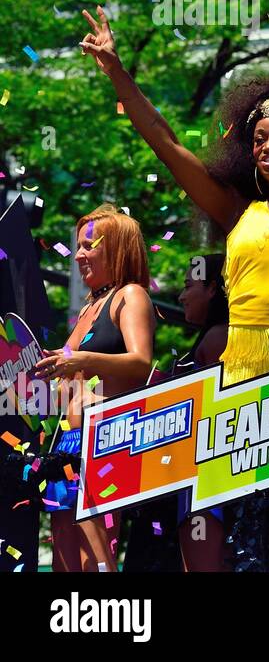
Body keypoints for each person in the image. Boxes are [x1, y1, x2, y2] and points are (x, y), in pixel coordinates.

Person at [80, 6, 269, 571]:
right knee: (205, 506)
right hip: (237, 372)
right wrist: (116, 72)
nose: (268, 146)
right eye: (259, 139)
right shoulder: (234, 211)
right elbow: (166, 143)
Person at [34, 205, 155, 572]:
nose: (80, 255)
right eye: (78, 246)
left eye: (90, 246)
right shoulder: (90, 306)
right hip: (67, 445)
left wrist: (81, 359)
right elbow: (74, 378)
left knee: (97, 559)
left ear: (117, 248)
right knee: (64, 560)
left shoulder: (130, 295)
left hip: (106, 440)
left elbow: (140, 361)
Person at [172, 253, 231, 571]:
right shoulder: (216, 335)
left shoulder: (219, 337)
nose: (181, 296)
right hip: (204, 478)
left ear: (212, 289)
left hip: (209, 480)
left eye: (188, 285)